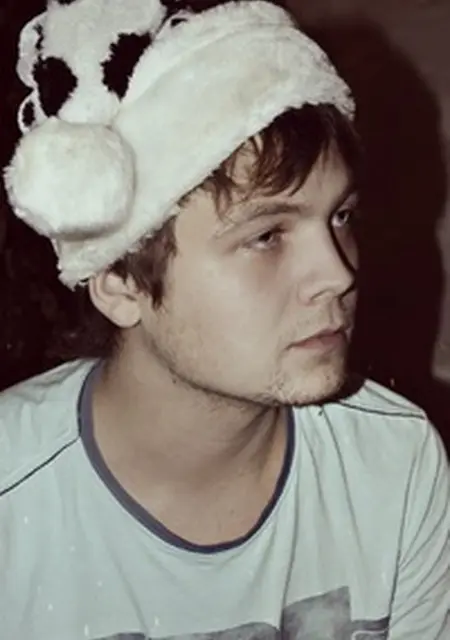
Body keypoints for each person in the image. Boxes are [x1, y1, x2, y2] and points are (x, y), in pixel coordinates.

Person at [1, 0, 449, 637]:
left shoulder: (395, 462)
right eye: (267, 236)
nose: (338, 274)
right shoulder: (13, 502)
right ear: (120, 282)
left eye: (341, 216)